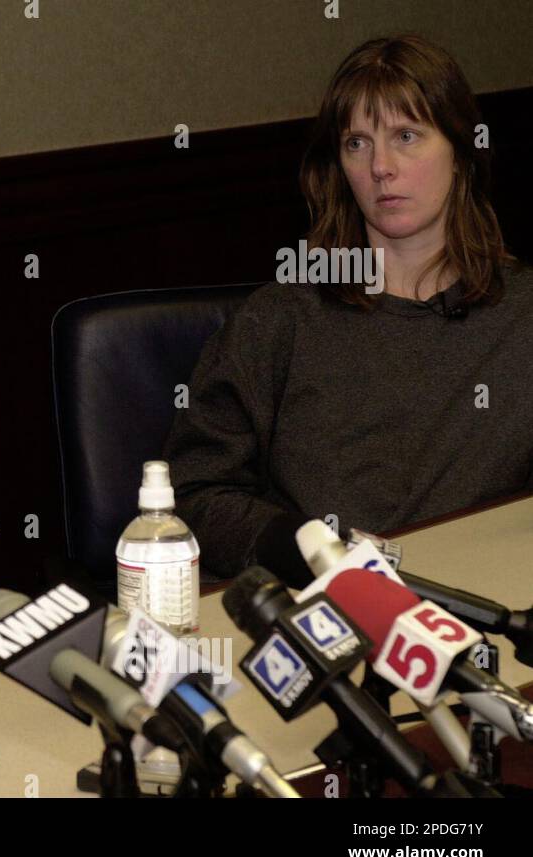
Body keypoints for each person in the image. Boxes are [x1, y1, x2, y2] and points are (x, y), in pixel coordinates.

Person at [165, 34, 533, 582]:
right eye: (357, 144)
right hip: (320, 611)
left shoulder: (521, 311)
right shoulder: (280, 319)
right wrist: (310, 553)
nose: (381, 166)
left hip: (488, 603)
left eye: (406, 136)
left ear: (461, 153)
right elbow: (191, 496)